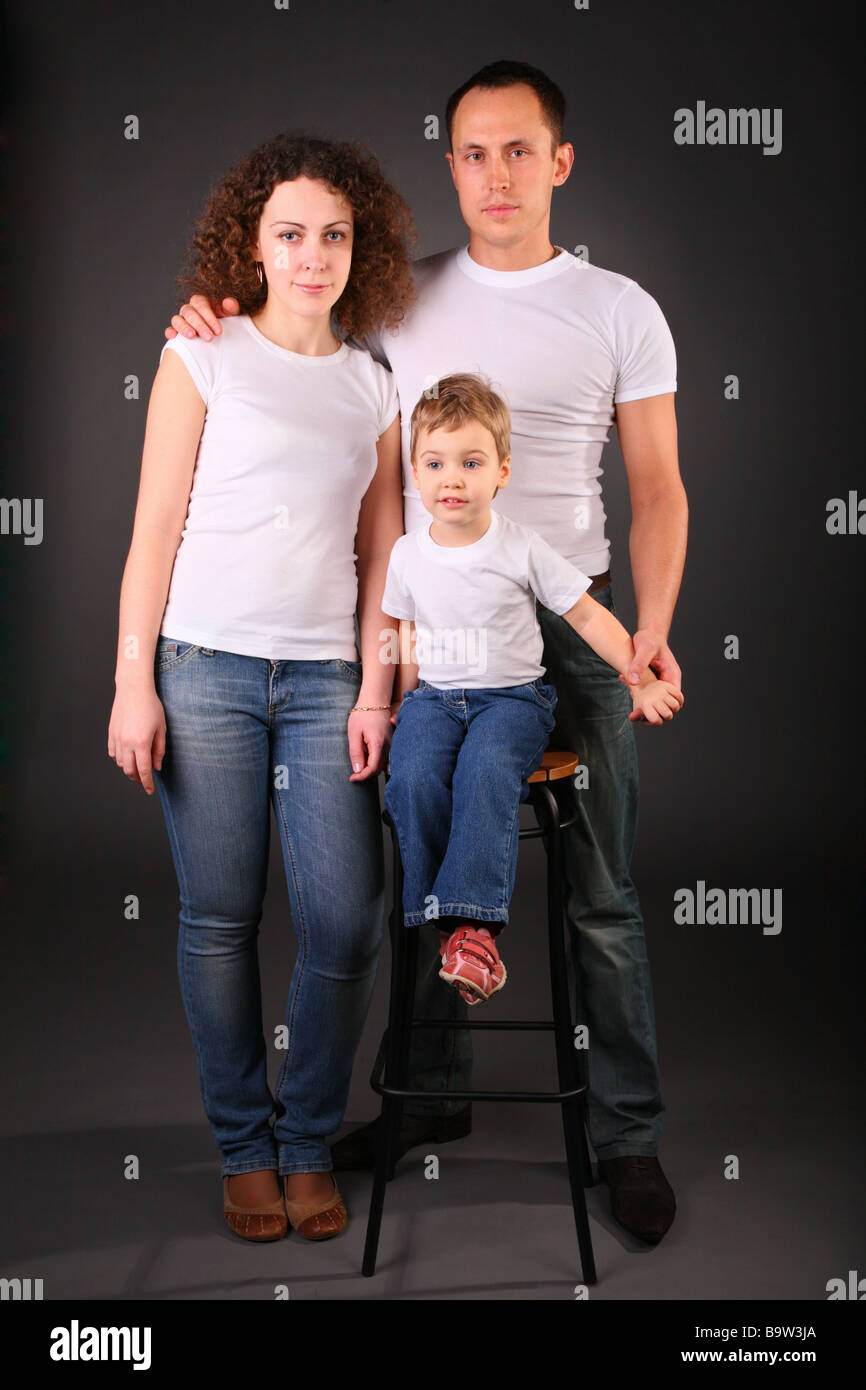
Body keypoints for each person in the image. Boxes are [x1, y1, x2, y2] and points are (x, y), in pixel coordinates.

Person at [164, 60, 689, 1245]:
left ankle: (627, 1135)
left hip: (574, 612)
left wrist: (646, 624)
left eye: (518, 151)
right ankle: (429, 1097)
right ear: (446, 162)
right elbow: (287, 339)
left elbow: (657, 488)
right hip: (437, 620)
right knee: (421, 835)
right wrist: (207, 306)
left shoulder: (621, 309)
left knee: (601, 895)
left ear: (558, 163)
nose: (493, 174)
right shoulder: (401, 303)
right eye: (469, 152)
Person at [108, 131, 416, 1242]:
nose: (311, 255)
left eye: (333, 235)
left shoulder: (373, 385)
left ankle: (306, 1137)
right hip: (203, 672)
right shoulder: (202, 357)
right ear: (253, 241)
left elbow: (384, 558)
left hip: (328, 676)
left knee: (345, 919)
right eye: (289, 233)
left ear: (357, 248)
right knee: (218, 918)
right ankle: (246, 1145)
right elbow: (152, 531)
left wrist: (375, 692)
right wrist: (128, 680)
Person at [382, 374, 683, 1005]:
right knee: (410, 774)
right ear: (414, 471)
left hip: (511, 701)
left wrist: (641, 676)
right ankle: (446, 924)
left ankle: (476, 929)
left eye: (471, 463)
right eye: (435, 464)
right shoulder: (409, 553)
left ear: (502, 471)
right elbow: (405, 633)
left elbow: (587, 615)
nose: (452, 479)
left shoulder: (520, 546)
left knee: (486, 771)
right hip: (436, 697)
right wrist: (398, 704)